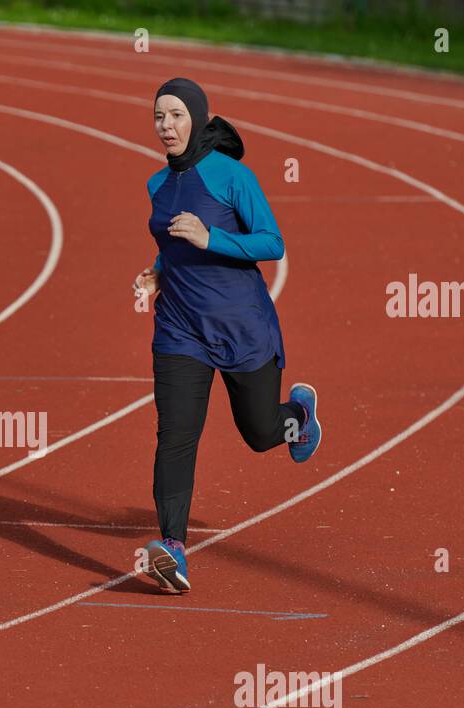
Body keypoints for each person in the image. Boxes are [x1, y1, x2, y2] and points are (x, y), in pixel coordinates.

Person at [132, 77, 321, 594]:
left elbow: (273, 243)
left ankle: (298, 417)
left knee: (261, 433)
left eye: (175, 115)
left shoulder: (232, 177)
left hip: (242, 327)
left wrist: (209, 236)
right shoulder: (157, 185)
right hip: (179, 330)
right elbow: (173, 246)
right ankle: (172, 547)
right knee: (175, 437)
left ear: (196, 117)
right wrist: (157, 272)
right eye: (158, 117)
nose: (166, 126)